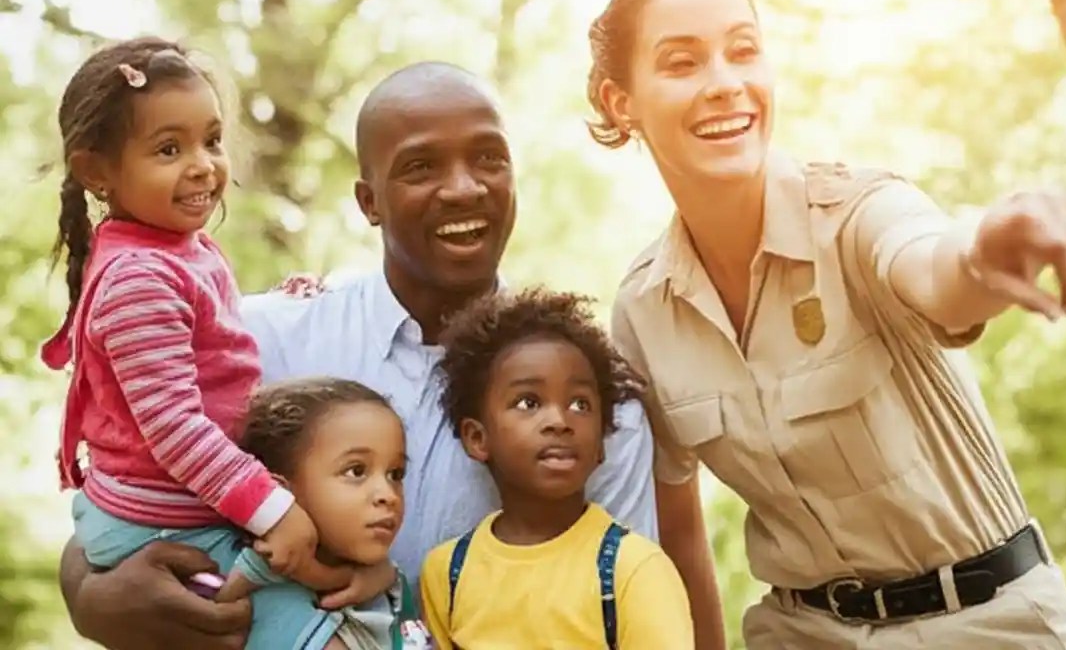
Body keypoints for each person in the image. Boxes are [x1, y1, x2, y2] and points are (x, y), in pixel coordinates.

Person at [56, 61, 724, 650]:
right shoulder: (267, 343)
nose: (463, 188)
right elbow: (127, 479)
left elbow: (627, 596)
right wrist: (90, 594)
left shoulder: (588, 401)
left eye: (489, 158)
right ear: (368, 202)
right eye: (420, 166)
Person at [588, 0, 1066, 649]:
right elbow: (676, 527)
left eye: (744, 52)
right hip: (801, 633)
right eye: (683, 64)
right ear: (623, 102)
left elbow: (936, 267)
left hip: (990, 624)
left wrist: (987, 249)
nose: (726, 85)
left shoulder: (858, 214)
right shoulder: (644, 310)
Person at [40, 36, 388, 649]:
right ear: (97, 171)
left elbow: (205, 343)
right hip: (157, 523)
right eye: (169, 148)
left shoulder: (176, 251)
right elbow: (175, 428)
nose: (202, 164)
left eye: (212, 140)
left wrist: (285, 299)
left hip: (187, 502)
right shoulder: (139, 278)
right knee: (323, 636)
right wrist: (271, 510)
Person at [421, 288, 694, 649]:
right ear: (477, 438)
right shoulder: (448, 573)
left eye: (580, 404)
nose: (559, 421)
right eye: (528, 402)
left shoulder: (632, 569)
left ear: (600, 442)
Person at [213, 377, 430, 650]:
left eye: (395, 474)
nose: (388, 494)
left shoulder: (389, 589)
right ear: (279, 494)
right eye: (356, 471)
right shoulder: (252, 597)